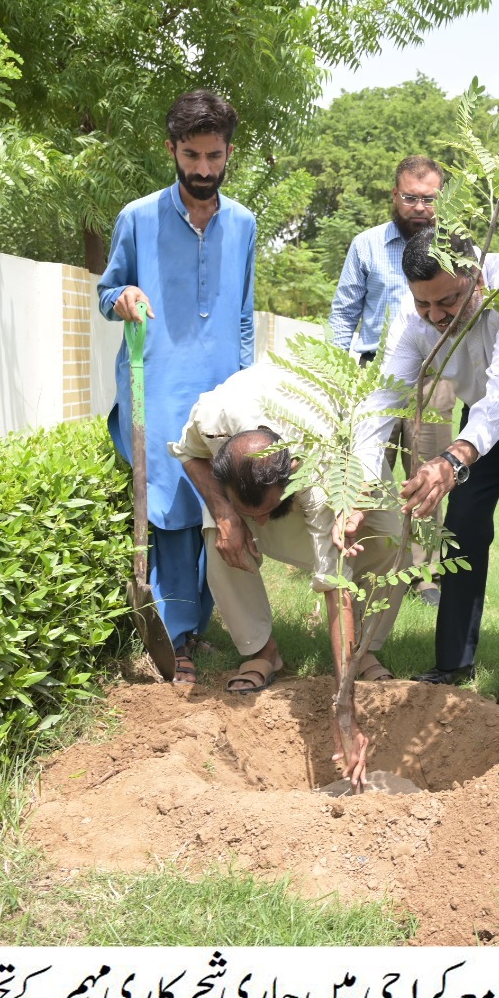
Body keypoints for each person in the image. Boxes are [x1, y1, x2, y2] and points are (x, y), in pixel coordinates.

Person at [356, 229, 499, 712]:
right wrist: (362, 483)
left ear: (478, 276)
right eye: (424, 304)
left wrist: (452, 460)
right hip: (484, 424)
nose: (435, 316)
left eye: (447, 301)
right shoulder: (415, 317)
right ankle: (452, 664)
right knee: (462, 529)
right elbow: (383, 400)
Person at [98, 89, 257, 683]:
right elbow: (107, 293)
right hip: (157, 385)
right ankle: (176, 637)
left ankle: (201, 623)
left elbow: (244, 312)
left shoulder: (243, 224)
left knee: (216, 507)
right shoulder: (136, 218)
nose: (203, 171)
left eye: (214, 157)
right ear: (171, 149)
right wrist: (126, 298)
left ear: (228, 153)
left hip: (220, 389)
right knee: (167, 509)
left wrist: (242, 387)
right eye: (191, 156)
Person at [171, 362, 407, 695]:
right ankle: (261, 651)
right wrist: (227, 512)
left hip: (347, 461)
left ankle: (359, 653)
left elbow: (334, 582)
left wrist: (343, 697)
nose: (261, 524)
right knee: (218, 532)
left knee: (390, 538)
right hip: (258, 468)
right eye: (253, 514)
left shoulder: (316, 463)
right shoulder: (212, 418)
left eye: (267, 511)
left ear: (293, 474)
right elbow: (188, 453)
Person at [329, 155, 453, 605]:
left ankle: (426, 575)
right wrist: (340, 375)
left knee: (428, 473)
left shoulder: (451, 249)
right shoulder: (366, 245)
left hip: (434, 377)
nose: (419, 207)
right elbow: (344, 314)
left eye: (429, 199)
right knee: (367, 471)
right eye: (410, 197)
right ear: (394, 196)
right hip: (373, 377)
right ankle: (374, 561)